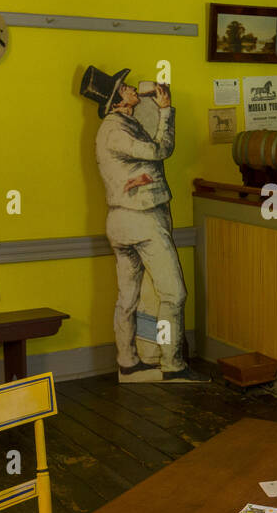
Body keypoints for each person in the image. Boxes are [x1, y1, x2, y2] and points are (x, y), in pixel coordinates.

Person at [81, 66, 206, 383]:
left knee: (128, 297)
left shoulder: (120, 126)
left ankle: (127, 362)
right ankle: (172, 364)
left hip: (121, 220)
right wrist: (165, 112)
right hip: (143, 218)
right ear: (117, 101)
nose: (131, 88)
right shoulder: (117, 130)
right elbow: (159, 150)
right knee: (173, 294)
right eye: (124, 87)